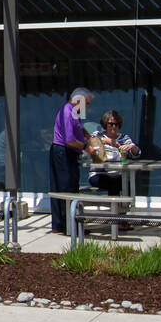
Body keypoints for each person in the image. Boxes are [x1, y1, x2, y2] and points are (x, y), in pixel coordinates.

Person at [49, 87, 94, 234]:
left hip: (65, 152)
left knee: (66, 186)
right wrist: (86, 146)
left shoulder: (74, 112)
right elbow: (69, 140)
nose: (86, 107)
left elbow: (78, 130)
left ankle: (61, 224)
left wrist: (86, 135)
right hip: (63, 152)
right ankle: (69, 225)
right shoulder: (68, 112)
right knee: (67, 188)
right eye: (86, 103)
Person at [88, 110, 140, 196]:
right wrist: (108, 141)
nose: (114, 127)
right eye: (111, 124)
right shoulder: (98, 135)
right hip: (100, 174)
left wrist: (133, 147)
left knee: (129, 184)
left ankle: (126, 207)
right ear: (105, 124)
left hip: (119, 174)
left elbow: (136, 154)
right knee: (114, 183)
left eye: (116, 124)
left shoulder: (124, 138)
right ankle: (115, 207)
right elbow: (90, 142)